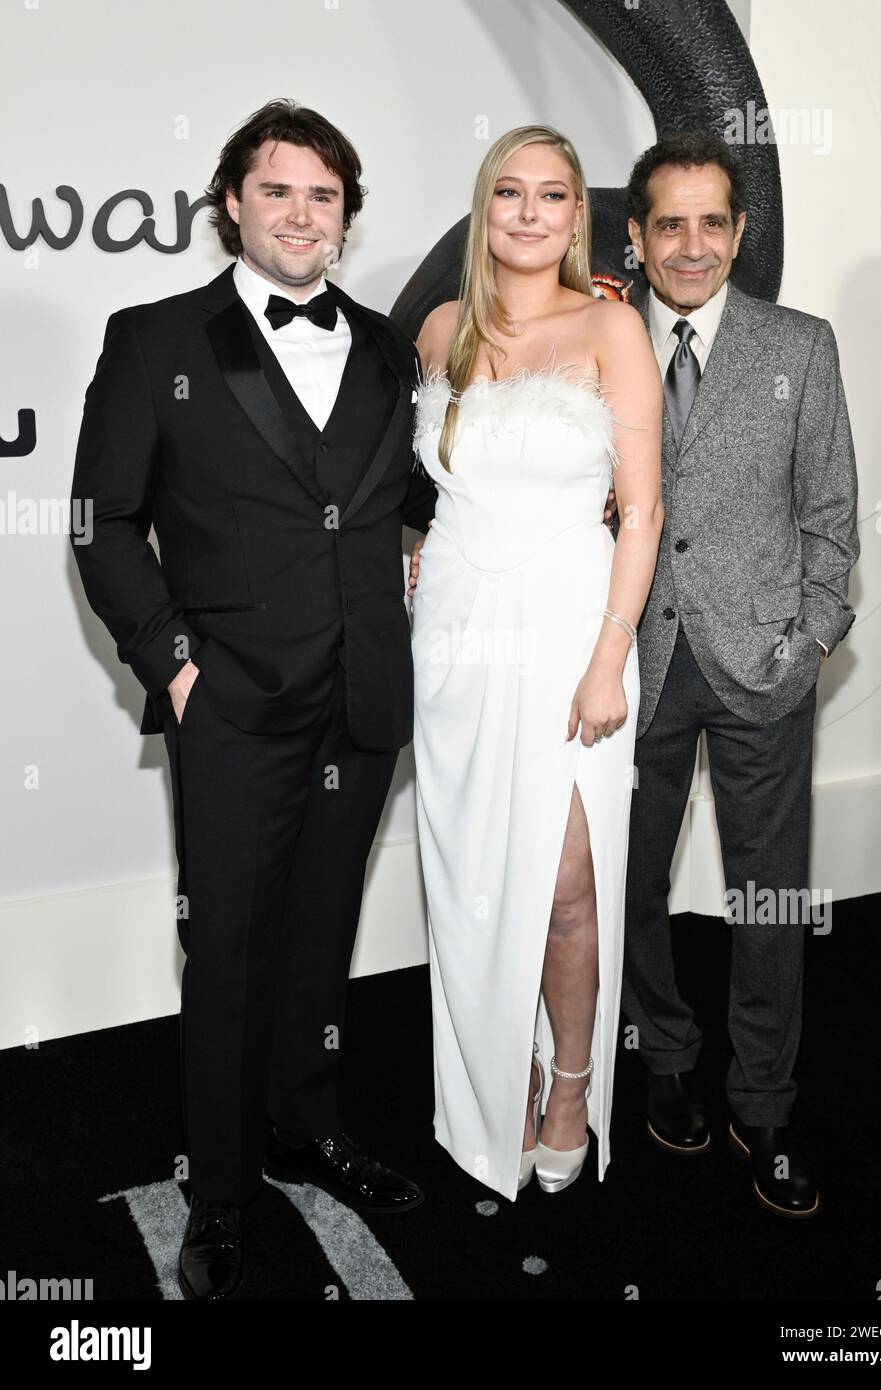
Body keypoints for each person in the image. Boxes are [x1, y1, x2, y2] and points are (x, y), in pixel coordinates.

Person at [69, 99, 437, 1300]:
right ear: (232, 201)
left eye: (322, 195)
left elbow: (396, 499)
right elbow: (105, 523)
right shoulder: (154, 337)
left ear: (346, 215)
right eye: (276, 190)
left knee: (321, 932)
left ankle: (305, 1126)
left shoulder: (386, 346)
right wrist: (174, 661)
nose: (299, 213)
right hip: (229, 703)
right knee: (225, 952)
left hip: (363, 696)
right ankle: (219, 1190)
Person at [409, 125, 663, 1202]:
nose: (526, 211)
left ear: (576, 219)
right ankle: (487, 1073)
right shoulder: (436, 331)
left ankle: (568, 1082)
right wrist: (409, 549)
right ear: (484, 207)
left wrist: (608, 659)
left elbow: (644, 509)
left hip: (572, 629)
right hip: (458, 631)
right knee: (472, 880)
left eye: (550, 195)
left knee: (565, 882)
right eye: (507, 191)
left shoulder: (611, 326)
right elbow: (416, 483)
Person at [621, 130, 860, 1217]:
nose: (691, 244)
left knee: (767, 899)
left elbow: (831, 521)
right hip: (629, 666)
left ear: (738, 232)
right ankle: (663, 1052)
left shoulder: (799, 346)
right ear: (635, 235)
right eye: (668, 222)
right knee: (628, 886)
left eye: (711, 222)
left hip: (760, 666)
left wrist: (807, 638)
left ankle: (762, 1101)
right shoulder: (600, 340)